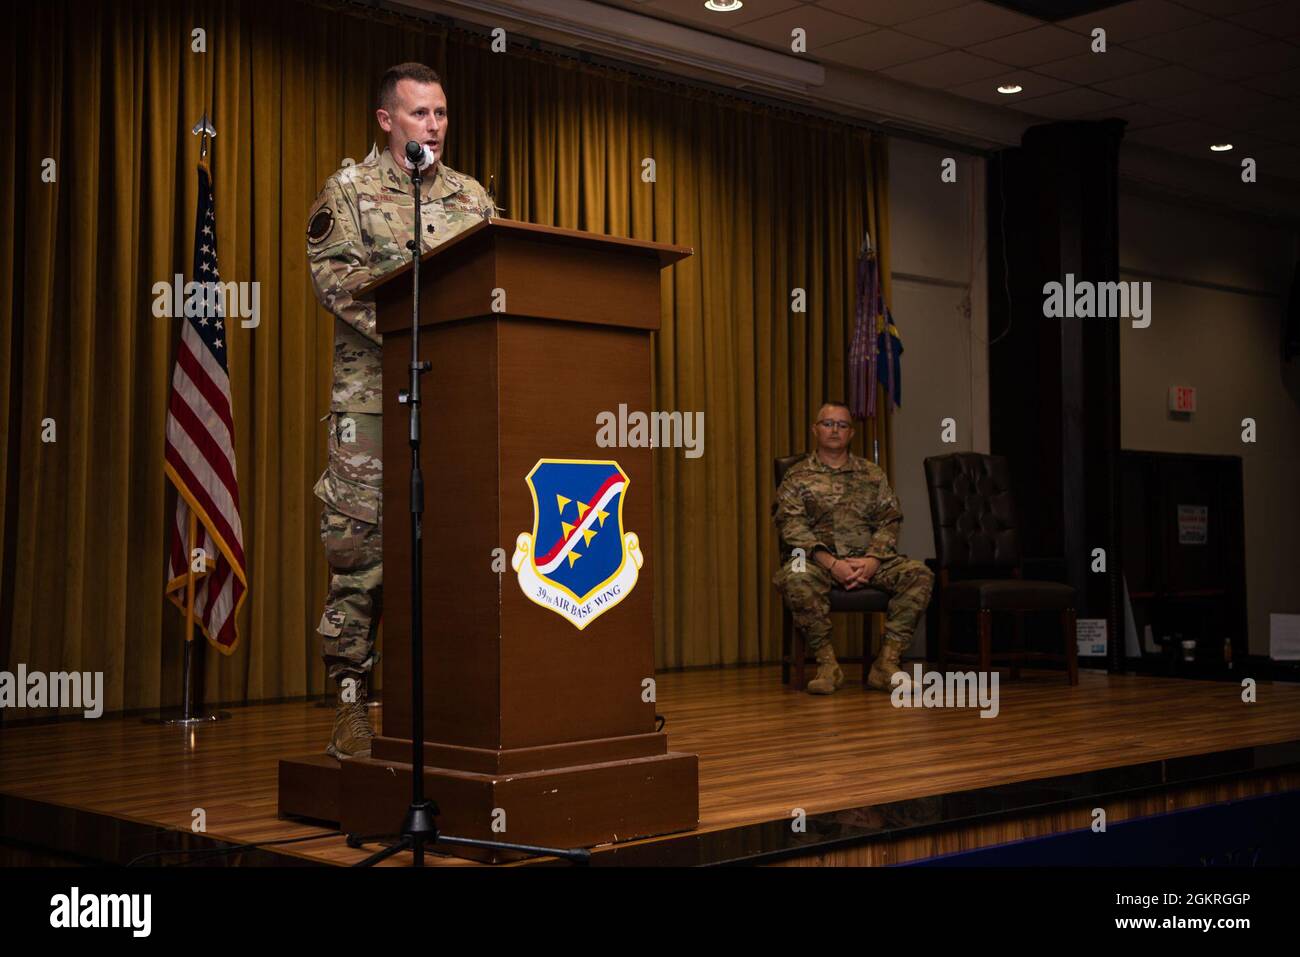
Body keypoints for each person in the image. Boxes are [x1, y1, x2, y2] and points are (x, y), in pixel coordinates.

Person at [307, 62, 496, 758]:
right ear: (387, 120)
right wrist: (431, 320)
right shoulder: (350, 191)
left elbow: (497, 284)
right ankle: (351, 704)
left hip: (458, 400)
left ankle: (449, 704)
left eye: (442, 113)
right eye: (420, 114)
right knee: (361, 559)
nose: (435, 126)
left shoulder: (472, 197)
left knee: (455, 553)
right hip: (373, 405)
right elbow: (338, 282)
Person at [773, 401, 934, 695]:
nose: (835, 430)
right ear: (815, 430)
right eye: (828, 423)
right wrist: (832, 563)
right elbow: (791, 527)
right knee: (795, 576)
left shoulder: (872, 474)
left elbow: (890, 519)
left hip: (870, 561)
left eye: (842, 425)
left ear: (851, 433)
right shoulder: (796, 477)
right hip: (818, 563)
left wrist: (873, 559)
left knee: (919, 574)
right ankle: (827, 665)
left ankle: (886, 664)